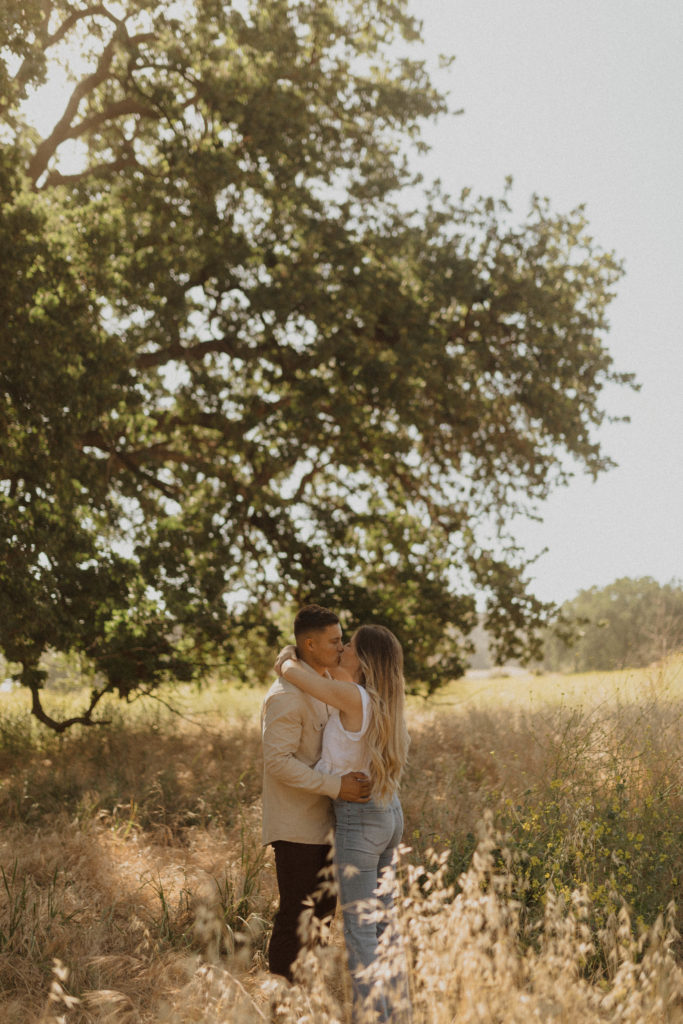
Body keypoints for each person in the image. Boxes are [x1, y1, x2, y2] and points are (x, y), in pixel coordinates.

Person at [275, 623, 410, 1022]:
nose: (342, 650)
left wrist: (286, 657)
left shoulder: (354, 698)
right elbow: (330, 673)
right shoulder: (385, 699)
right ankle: (398, 1015)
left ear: (364, 660)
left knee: (360, 932)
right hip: (388, 813)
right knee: (385, 926)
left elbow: (296, 674)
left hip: (360, 822)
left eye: (348, 646)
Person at [262, 604, 372, 983]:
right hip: (295, 825)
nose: (341, 648)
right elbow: (277, 762)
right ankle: (279, 993)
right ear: (309, 644)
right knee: (296, 910)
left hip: (326, 820)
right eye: (334, 641)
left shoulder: (324, 686)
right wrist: (337, 786)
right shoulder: (286, 697)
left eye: (343, 642)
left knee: (324, 909)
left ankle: (309, 991)